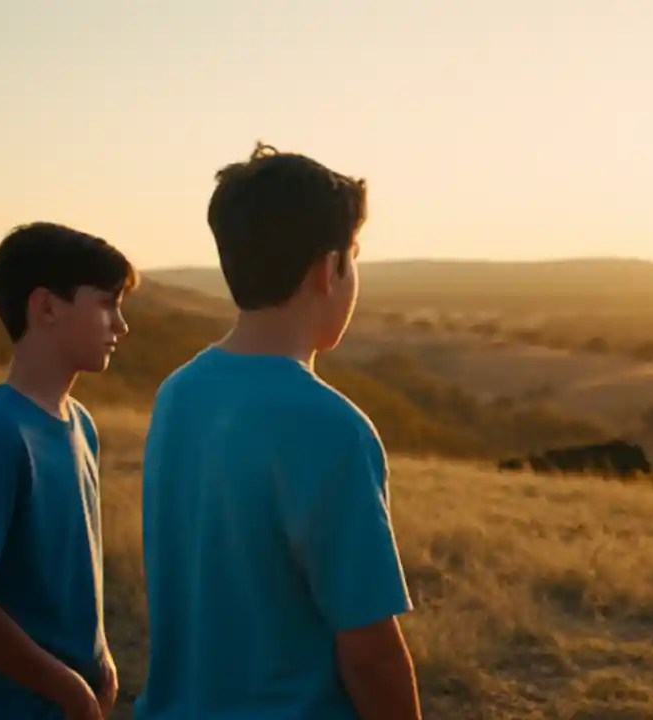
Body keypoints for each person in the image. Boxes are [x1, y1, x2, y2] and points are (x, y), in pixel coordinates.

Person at [135, 143, 422, 720]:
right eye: (354, 256)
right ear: (329, 269)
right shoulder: (331, 426)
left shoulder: (178, 393)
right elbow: (369, 651)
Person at [0, 222, 138, 719]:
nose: (122, 325)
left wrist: (100, 654)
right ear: (46, 307)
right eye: (107, 303)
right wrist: (68, 688)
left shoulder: (80, 424)